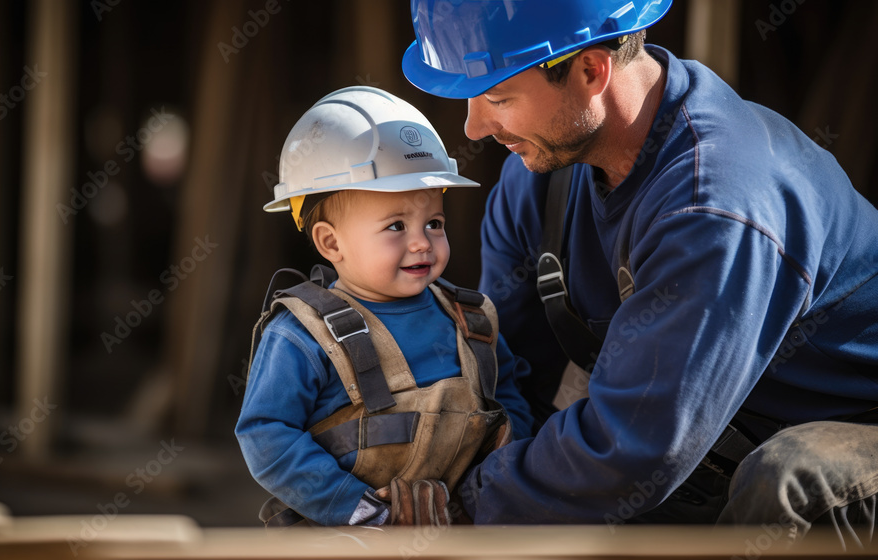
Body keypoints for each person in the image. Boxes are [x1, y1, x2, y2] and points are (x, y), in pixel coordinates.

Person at [400, 0, 878, 545]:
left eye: (497, 97)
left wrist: (456, 511)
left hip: (853, 434)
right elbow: (507, 379)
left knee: (793, 480)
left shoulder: (714, 204)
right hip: (713, 444)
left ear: (590, 70)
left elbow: (635, 444)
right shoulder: (536, 184)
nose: (476, 126)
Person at [235, 86, 534, 527]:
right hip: (340, 538)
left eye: (434, 223)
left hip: (458, 531)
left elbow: (509, 401)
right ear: (330, 242)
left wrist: (492, 487)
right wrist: (361, 510)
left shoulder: (470, 322)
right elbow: (266, 436)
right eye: (396, 225)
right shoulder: (302, 336)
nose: (421, 242)